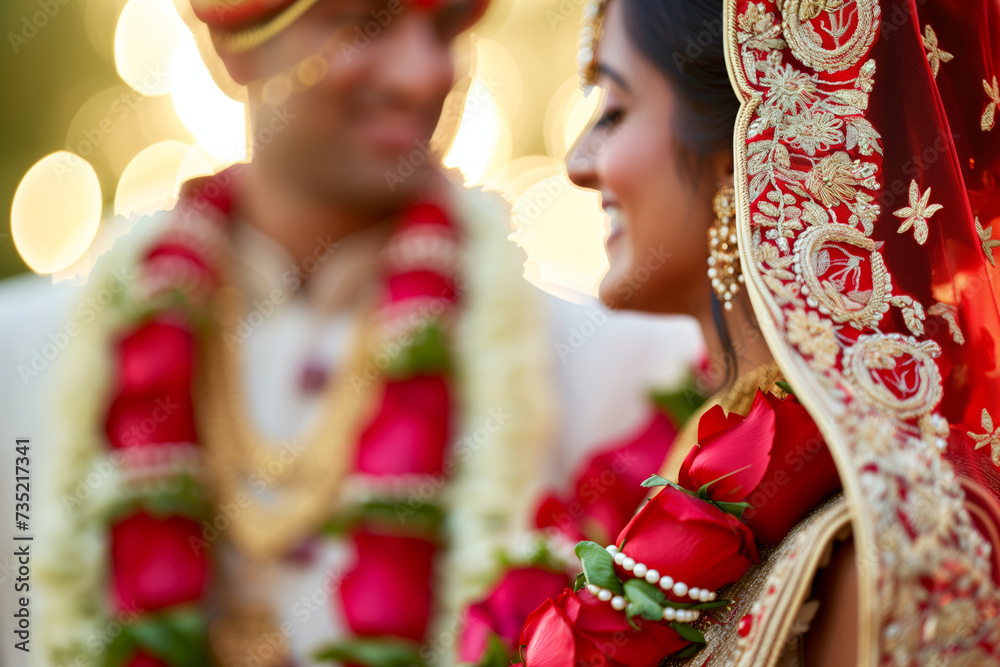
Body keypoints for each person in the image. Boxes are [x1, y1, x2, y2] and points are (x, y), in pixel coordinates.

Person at [0, 1, 702, 666]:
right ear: (230, 44)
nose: (422, 76)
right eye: (364, 22)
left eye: (445, 29)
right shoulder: (21, 357)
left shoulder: (615, 373)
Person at [513, 0, 1000, 665]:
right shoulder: (705, 450)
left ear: (742, 151)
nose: (577, 162)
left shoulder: (882, 548)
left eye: (616, 110)